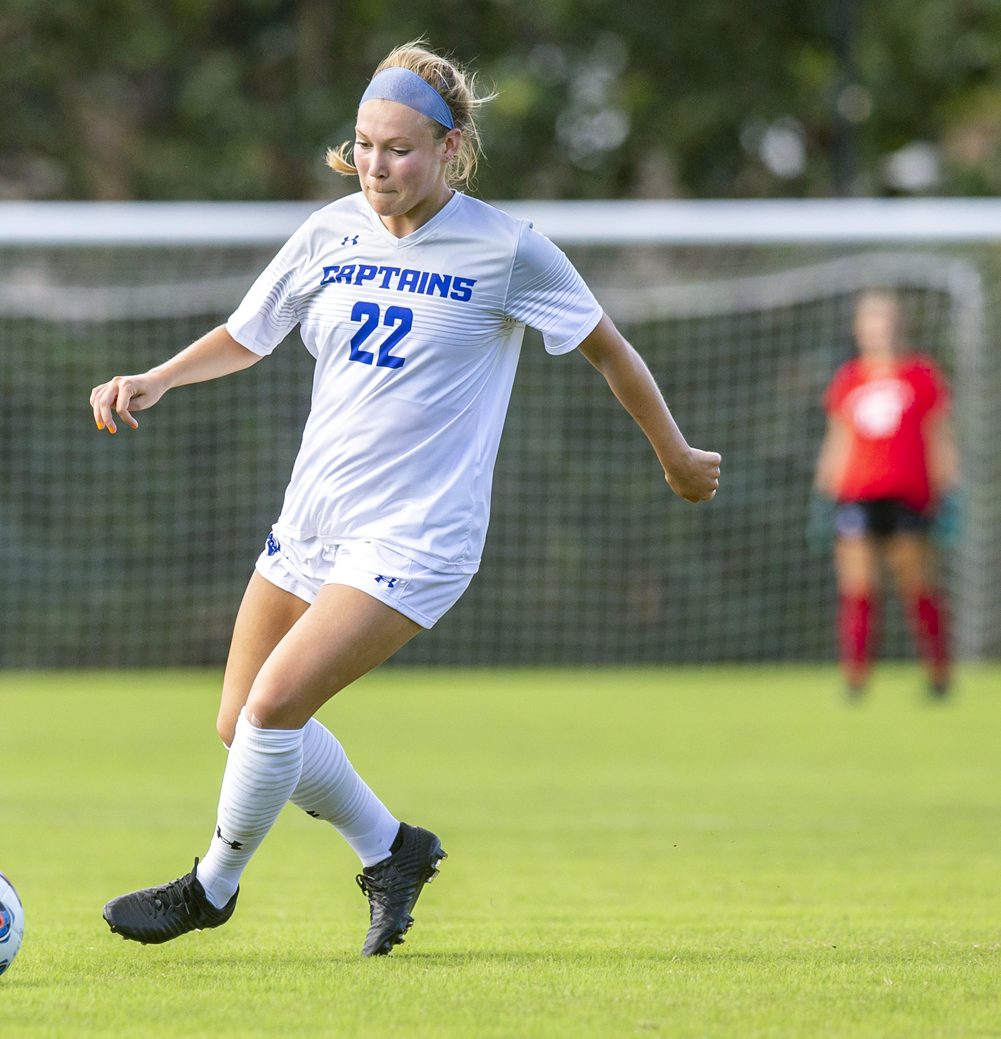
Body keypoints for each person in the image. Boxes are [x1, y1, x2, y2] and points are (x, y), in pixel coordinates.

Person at [88, 42, 720, 955]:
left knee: (272, 711)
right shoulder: (329, 232)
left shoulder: (508, 249)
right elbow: (248, 333)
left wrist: (676, 455)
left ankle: (210, 888)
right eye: (363, 146)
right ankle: (393, 851)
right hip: (314, 519)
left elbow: (608, 350)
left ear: (450, 147)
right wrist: (158, 377)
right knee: (241, 726)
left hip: (418, 536)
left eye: (399, 149)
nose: (376, 166)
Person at [813, 289, 957, 698]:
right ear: (858, 329)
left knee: (917, 583)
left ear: (899, 324)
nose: (879, 328)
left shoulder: (921, 375)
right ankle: (855, 678)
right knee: (857, 585)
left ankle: (938, 673)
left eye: (885, 318)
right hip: (857, 494)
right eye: (870, 319)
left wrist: (951, 489)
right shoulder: (849, 380)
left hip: (910, 494)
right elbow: (837, 440)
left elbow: (939, 437)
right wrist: (822, 494)